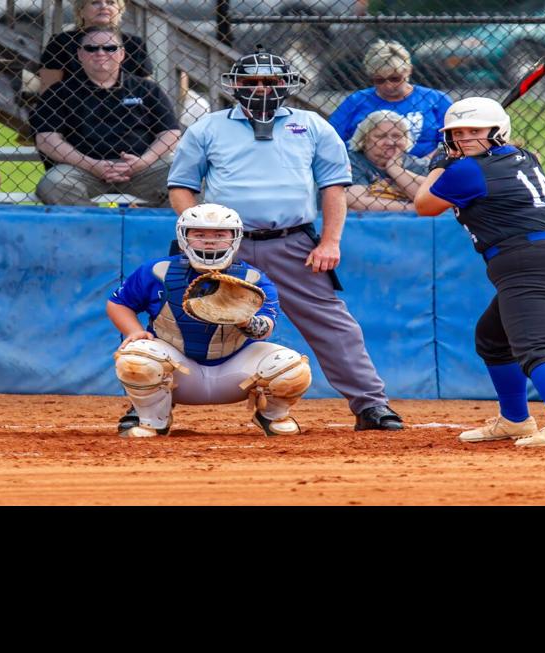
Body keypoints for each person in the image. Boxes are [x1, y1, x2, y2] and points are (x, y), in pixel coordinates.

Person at [163, 50, 404, 432]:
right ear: (235, 86)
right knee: (177, 317)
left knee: (333, 324)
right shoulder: (209, 127)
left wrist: (330, 242)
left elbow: (334, 187)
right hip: (225, 245)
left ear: (288, 85)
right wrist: (200, 234)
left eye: (271, 82)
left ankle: (371, 405)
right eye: (252, 82)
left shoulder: (311, 125)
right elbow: (181, 187)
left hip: (293, 242)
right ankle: (149, 404)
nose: (262, 89)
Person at [414, 97, 545, 448]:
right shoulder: (524, 157)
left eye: (476, 131)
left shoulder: (467, 171)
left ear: (498, 132)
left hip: (531, 262)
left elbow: (424, 205)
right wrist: (454, 162)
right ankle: (515, 419)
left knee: (535, 346)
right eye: (457, 133)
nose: (466, 139)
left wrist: (439, 166)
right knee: (493, 338)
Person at [109, 203, 313, 438]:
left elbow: (264, 330)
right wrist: (133, 331)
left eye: (220, 235)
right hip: (180, 372)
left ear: (235, 238)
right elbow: (118, 303)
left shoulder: (253, 278)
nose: (210, 241)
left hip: (234, 374)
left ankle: (272, 417)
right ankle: (152, 419)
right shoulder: (158, 271)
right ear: (183, 236)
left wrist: (242, 318)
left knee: (292, 366)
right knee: (136, 355)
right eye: (199, 234)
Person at [31, 27, 179, 206]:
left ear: (122, 54)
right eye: (91, 48)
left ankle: (152, 230)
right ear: (80, 54)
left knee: (191, 179)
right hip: (83, 170)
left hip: (143, 170)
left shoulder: (146, 89)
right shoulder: (59, 93)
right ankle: (95, 229)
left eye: (110, 48)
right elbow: (46, 139)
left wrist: (143, 162)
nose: (100, 53)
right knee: (52, 184)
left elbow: (170, 133)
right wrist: (92, 165)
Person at [328, 40, 451, 160]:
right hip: (367, 171)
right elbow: (332, 141)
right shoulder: (356, 101)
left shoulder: (435, 100)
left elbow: (451, 142)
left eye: (395, 78)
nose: (388, 86)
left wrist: (425, 165)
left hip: (425, 170)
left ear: (408, 71)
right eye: (379, 80)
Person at [37, 0, 150, 93]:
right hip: (75, 110)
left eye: (110, 3)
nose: (103, 7)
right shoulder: (62, 42)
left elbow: (146, 90)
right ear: (81, 11)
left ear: (120, 10)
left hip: (124, 110)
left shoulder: (134, 43)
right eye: (95, 2)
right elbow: (48, 90)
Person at [345, 109, 426, 212]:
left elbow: (429, 200)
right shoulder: (353, 161)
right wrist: (411, 208)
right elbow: (355, 202)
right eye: (381, 136)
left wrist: (395, 170)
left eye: (396, 136)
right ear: (364, 140)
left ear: (406, 139)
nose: (390, 142)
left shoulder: (415, 164)